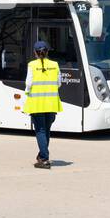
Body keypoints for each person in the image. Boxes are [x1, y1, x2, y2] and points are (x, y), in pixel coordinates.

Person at [24, 39, 63, 169]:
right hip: (52, 104)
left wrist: (27, 93)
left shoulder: (31, 65)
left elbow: (28, 84)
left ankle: (44, 158)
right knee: (46, 130)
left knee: (40, 131)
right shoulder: (55, 65)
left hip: (37, 104)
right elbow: (59, 84)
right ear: (47, 52)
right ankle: (41, 155)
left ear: (35, 52)